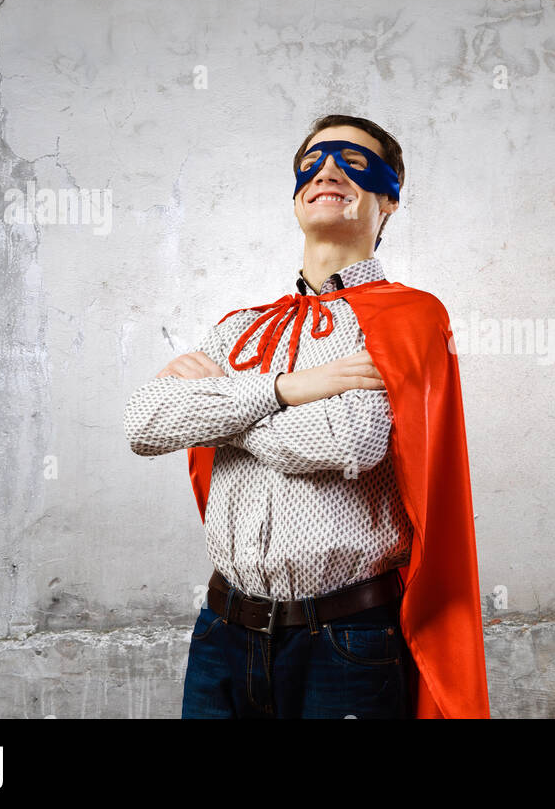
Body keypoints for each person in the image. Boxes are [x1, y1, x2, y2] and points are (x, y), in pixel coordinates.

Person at [123, 114, 489, 718]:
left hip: (346, 641)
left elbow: (346, 442)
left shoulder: (411, 317)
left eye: (353, 162)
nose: (328, 172)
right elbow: (144, 424)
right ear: (297, 194)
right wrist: (287, 388)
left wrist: (222, 405)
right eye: (313, 164)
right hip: (223, 633)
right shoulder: (238, 329)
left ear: (388, 200)